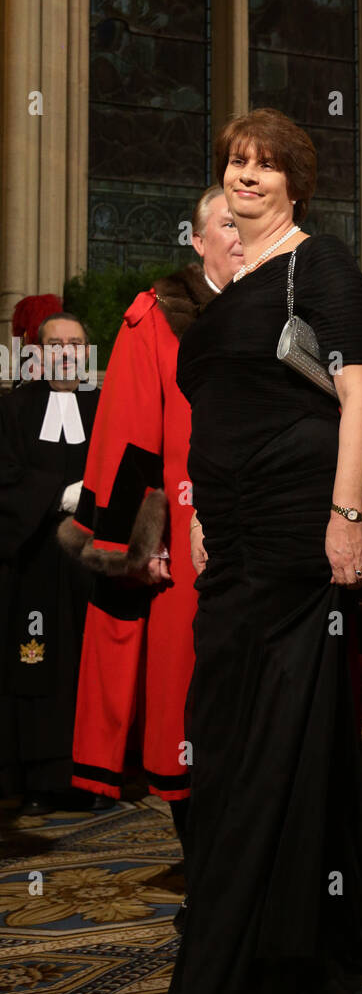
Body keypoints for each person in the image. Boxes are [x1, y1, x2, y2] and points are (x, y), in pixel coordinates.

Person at [166, 107, 362, 994]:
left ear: (295, 183)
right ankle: (277, 908)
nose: (247, 177)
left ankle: (265, 940)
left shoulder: (321, 264)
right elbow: (216, 409)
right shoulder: (233, 281)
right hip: (228, 532)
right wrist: (197, 512)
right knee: (226, 717)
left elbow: (359, 393)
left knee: (276, 720)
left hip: (293, 523)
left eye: (266, 166)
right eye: (236, 162)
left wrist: (347, 515)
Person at [62, 189, 241, 860]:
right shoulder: (157, 315)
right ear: (196, 241)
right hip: (186, 551)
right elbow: (128, 441)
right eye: (225, 223)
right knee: (185, 710)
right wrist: (140, 544)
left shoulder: (289, 306)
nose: (240, 233)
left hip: (272, 539)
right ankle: (205, 868)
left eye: (248, 219)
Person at [0, 311, 99, 811]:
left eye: (75, 343)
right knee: (35, 664)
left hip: (90, 564)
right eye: (55, 343)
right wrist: (57, 495)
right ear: (36, 354)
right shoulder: (14, 409)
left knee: (88, 667)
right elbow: (6, 476)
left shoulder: (103, 406)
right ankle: (39, 778)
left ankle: (90, 777)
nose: (65, 351)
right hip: (35, 560)